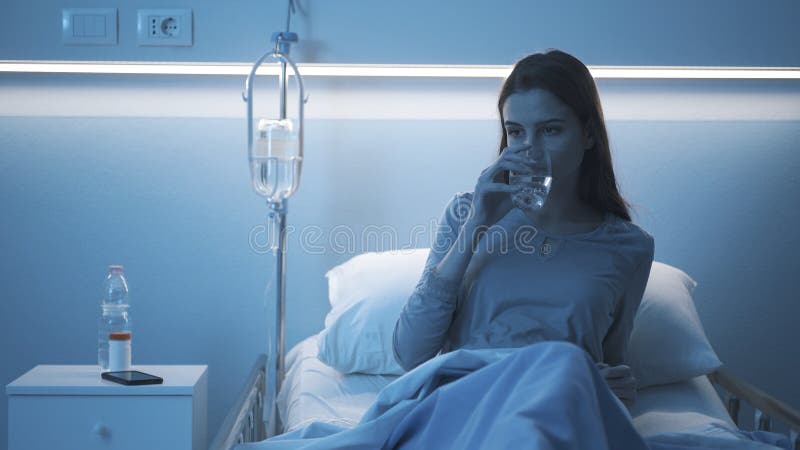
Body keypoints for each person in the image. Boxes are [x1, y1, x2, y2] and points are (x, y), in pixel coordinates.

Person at [392, 49, 655, 406]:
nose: (530, 149)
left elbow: (609, 365)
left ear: (588, 134)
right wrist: (476, 225)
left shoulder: (628, 247)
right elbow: (410, 355)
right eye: (516, 132)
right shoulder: (466, 213)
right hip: (468, 404)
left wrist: (608, 389)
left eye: (550, 130)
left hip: (559, 411)